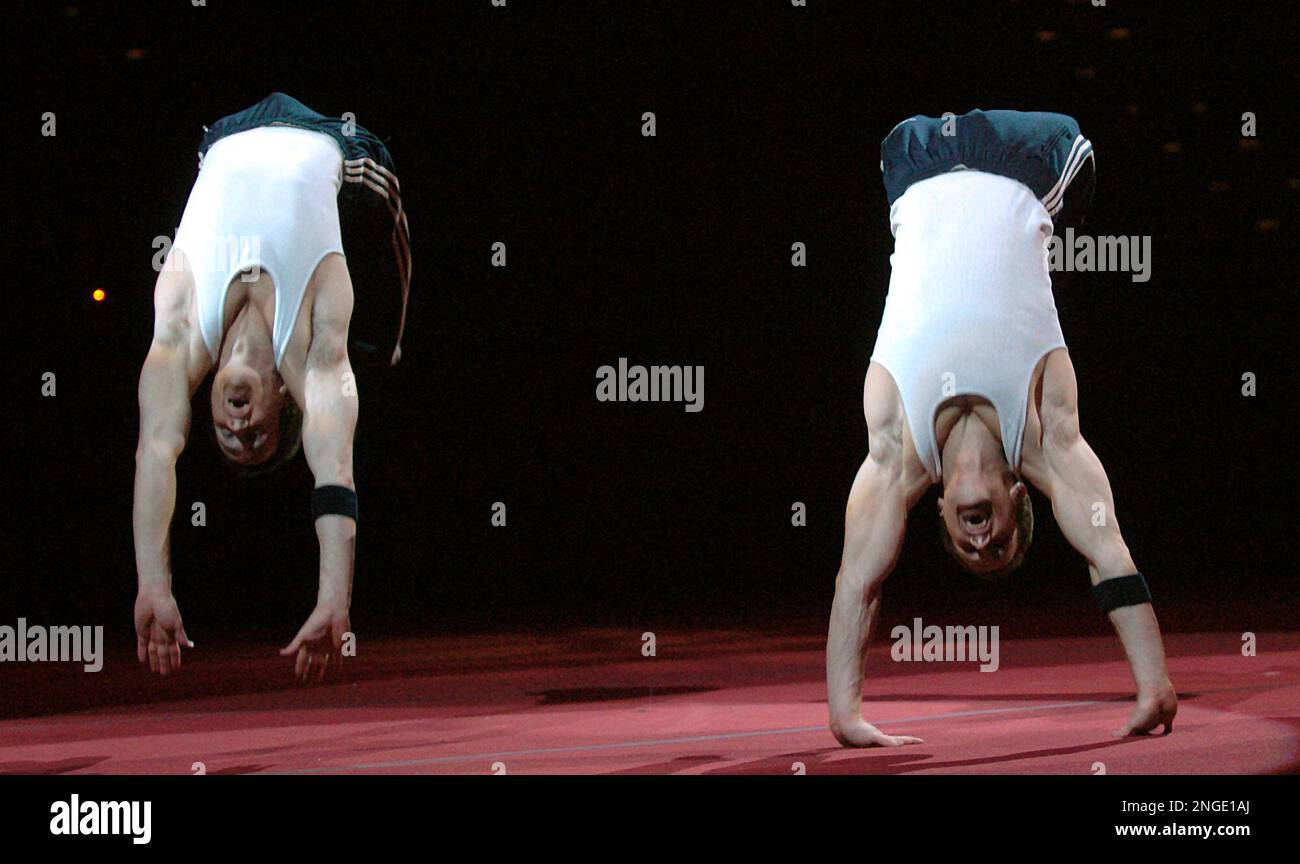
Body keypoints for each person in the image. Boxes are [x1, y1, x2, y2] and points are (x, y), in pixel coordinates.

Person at [826, 109, 1177, 746]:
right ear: (1020, 498)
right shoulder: (1046, 439)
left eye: (970, 551)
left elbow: (858, 582)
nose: (982, 542)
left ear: (938, 512)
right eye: (1002, 546)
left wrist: (845, 715)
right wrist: (1154, 683)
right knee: (1078, 182)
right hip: (1028, 160)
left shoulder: (896, 455)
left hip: (913, 163)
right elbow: (1106, 550)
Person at [132, 93, 410, 683]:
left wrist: (152, 585)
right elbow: (335, 470)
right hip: (335, 141)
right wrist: (334, 599)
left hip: (224, 136)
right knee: (382, 237)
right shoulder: (312, 354)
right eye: (254, 438)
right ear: (286, 401)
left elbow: (155, 451)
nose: (237, 427)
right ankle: (391, 344)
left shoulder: (180, 331)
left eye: (226, 438)